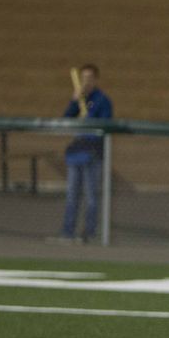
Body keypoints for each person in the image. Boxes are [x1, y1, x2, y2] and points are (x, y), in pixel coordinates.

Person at [56, 63, 112, 243]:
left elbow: (104, 126)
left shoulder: (103, 100)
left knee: (91, 197)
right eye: (83, 79)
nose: (86, 82)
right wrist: (74, 101)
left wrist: (87, 122)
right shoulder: (79, 100)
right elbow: (66, 119)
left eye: (89, 78)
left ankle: (89, 233)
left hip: (93, 154)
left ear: (96, 79)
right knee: (71, 196)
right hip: (76, 154)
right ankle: (67, 232)